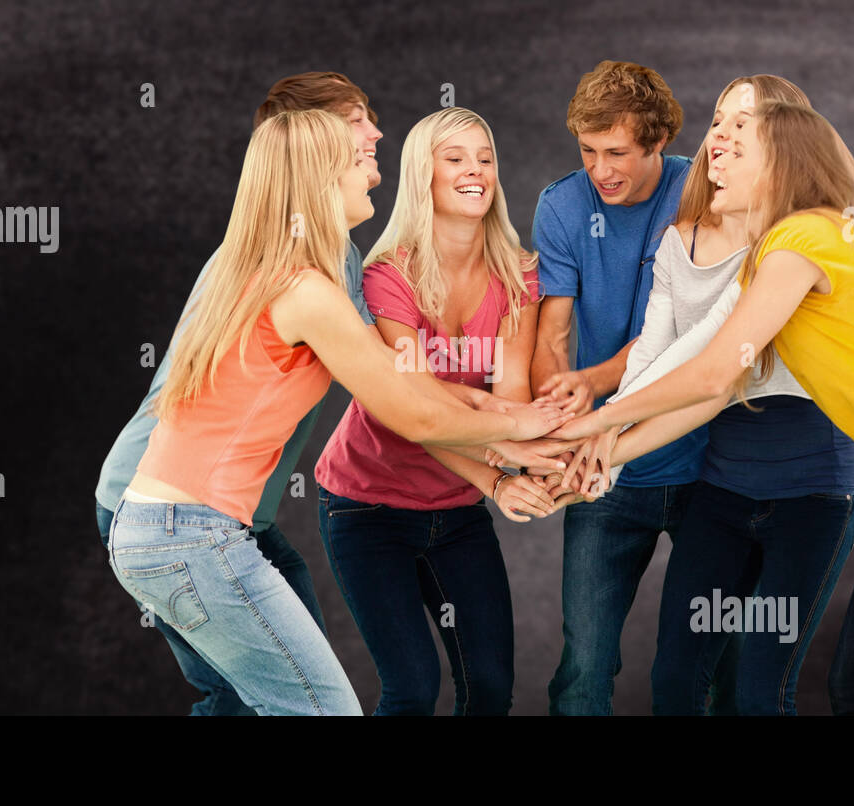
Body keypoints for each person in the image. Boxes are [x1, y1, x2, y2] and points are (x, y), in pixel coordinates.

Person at [553, 99, 854, 716]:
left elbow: (709, 373)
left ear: (780, 169)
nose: (713, 160)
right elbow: (710, 381)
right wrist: (604, 456)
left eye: (736, 151)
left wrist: (597, 421)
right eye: (716, 145)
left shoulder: (803, 238)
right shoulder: (779, 255)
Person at [108, 109, 572, 716]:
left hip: (172, 528)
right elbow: (415, 415)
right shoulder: (308, 294)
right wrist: (519, 429)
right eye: (358, 162)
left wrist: (523, 441)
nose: (372, 175)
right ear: (321, 181)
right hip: (189, 534)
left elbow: (413, 386)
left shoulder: (276, 272)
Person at [94, 72, 383, 715]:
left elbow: (386, 376)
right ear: (308, 147)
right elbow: (391, 391)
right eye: (355, 120)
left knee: (257, 692)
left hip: (206, 511)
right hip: (167, 505)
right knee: (261, 695)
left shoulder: (315, 250)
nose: (375, 132)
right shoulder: (295, 265)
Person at [314, 107, 552, 715]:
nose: (475, 171)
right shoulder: (386, 276)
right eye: (455, 159)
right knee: (413, 688)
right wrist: (497, 478)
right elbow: (415, 411)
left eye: (485, 158)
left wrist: (557, 465)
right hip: (367, 507)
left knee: (490, 686)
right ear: (424, 174)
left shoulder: (519, 274)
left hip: (457, 510)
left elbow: (511, 403)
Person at [528, 60, 716, 716]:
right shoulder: (561, 205)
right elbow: (552, 335)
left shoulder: (703, 189)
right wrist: (556, 423)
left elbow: (691, 331)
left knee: (711, 664)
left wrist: (592, 383)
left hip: (707, 466)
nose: (599, 170)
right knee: (583, 666)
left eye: (616, 153)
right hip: (602, 471)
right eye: (587, 151)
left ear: (658, 141)